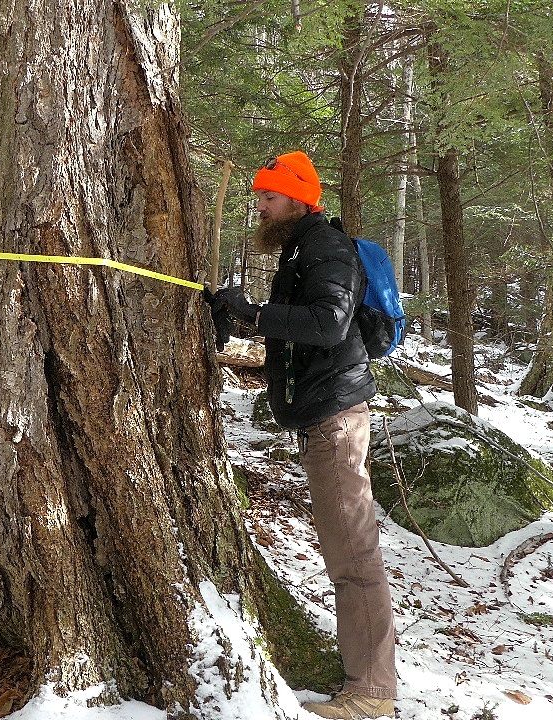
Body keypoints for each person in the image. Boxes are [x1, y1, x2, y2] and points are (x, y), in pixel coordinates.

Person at [206, 151, 397, 719]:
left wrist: (257, 315)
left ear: (297, 198)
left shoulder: (326, 249)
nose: (259, 204)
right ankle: (367, 684)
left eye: (268, 196)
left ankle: (371, 695)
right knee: (349, 551)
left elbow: (328, 324)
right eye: (259, 195)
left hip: (336, 421)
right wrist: (234, 313)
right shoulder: (300, 247)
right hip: (322, 413)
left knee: (354, 556)